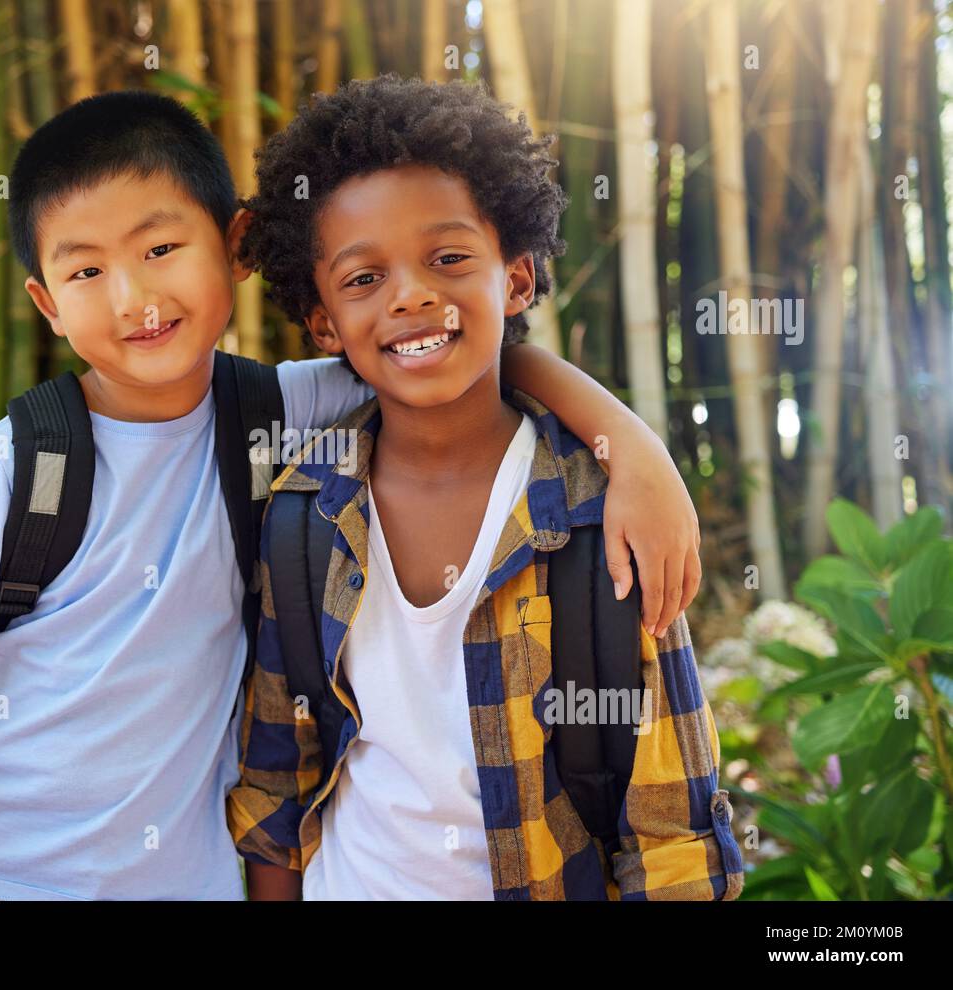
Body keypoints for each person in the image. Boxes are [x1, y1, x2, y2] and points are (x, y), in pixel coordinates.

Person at [0, 89, 706, 900]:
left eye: (160, 250)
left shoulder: (275, 411)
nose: (135, 297)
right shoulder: (20, 464)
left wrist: (631, 451)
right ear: (46, 304)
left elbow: (450, 351)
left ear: (235, 245)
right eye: (86, 271)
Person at [230, 75, 743, 901]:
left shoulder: (599, 517)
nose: (412, 294)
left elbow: (673, 836)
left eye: (448, 258)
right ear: (323, 321)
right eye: (363, 279)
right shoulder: (300, 514)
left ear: (516, 279)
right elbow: (276, 789)